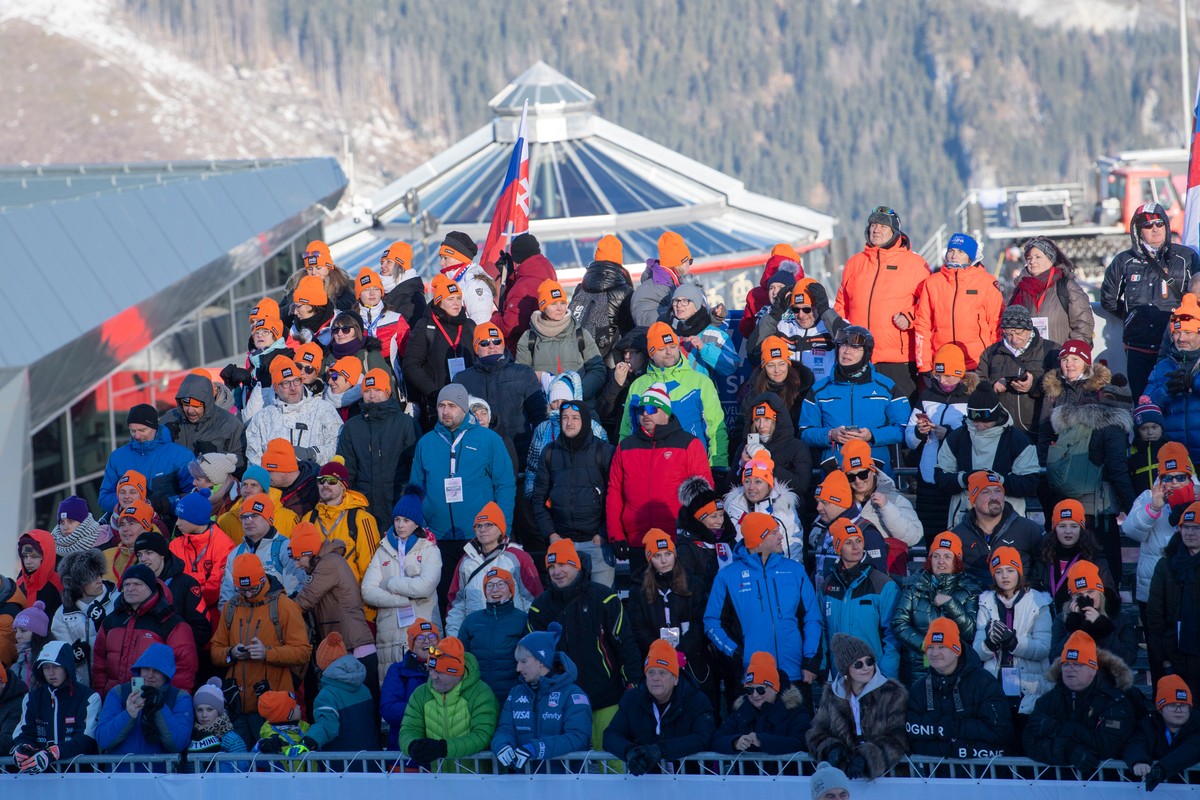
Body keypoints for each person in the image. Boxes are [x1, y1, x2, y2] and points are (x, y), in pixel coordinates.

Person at [527, 539, 642, 750]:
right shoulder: (539, 608)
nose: (557, 571)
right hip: (562, 699)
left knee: (611, 762)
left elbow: (625, 643)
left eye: (563, 564)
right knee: (568, 768)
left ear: (576, 565)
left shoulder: (603, 598)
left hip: (605, 695)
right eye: (551, 567)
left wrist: (632, 681)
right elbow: (536, 658)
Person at [408, 383, 516, 605]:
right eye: (441, 406)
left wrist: (502, 527)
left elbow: (504, 484)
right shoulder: (426, 443)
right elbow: (416, 487)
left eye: (452, 406)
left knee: (482, 599)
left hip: (479, 535)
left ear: (464, 409)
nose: (446, 411)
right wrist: (421, 527)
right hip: (438, 537)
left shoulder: (488, 439)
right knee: (445, 601)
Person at [1039, 339, 1137, 571]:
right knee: (1104, 560)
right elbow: (1116, 469)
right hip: (1099, 507)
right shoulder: (1111, 428)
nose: (1069, 364)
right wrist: (1133, 507)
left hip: (1068, 497)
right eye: (1065, 359)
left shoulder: (1075, 419)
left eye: (1075, 359)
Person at [607, 383, 713, 575]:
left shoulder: (689, 444)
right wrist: (616, 534)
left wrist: (698, 533)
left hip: (676, 540)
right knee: (643, 598)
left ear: (665, 412)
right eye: (641, 410)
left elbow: (703, 495)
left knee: (680, 596)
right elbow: (614, 492)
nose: (645, 414)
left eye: (651, 409)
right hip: (638, 539)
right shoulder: (625, 447)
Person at [705, 512, 821, 685]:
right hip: (752, 677)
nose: (781, 536)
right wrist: (736, 652)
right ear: (758, 539)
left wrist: (810, 659)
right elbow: (712, 622)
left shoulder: (795, 571)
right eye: (774, 533)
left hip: (795, 674)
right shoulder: (728, 576)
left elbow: (812, 618)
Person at [1101, 201, 1200, 397]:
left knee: (1179, 401)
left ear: (1166, 225)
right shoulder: (1123, 261)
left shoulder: (1186, 257)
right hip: (1139, 347)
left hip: (1179, 345)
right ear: (1137, 230)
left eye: (1159, 224)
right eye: (1147, 226)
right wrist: (1134, 317)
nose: (1155, 230)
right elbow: (1108, 299)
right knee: (1144, 402)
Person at [210, 555, 312, 742]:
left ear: (263, 579)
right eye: (242, 589)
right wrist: (231, 653)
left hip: (274, 710)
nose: (247, 594)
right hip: (237, 706)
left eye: (252, 589)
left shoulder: (284, 606)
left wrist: (267, 653)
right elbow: (215, 650)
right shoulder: (230, 607)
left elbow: (303, 652)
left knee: (272, 768)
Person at [834, 205, 931, 399]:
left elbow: (930, 304)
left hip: (897, 359)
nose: (876, 230)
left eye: (883, 226)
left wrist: (909, 316)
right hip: (857, 355)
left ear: (895, 231)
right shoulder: (855, 263)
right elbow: (841, 304)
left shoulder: (915, 264)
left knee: (900, 417)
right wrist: (840, 336)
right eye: (873, 225)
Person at [360, 487, 442, 683]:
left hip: (424, 632)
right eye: (397, 519)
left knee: (428, 692)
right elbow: (368, 591)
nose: (400, 525)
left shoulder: (430, 550)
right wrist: (404, 598)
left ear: (416, 523)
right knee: (392, 694)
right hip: (389, 637)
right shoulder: (383, 550)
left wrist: (390, 583)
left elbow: (425, 587)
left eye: (406, 520)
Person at [798, 325, 910, 470]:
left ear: (866, 353)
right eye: (843, 345)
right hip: (835, 470)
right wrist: (831, 434)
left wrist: (872, 435)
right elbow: (805, 432)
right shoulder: (820, 390)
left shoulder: (886, 387)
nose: (847, 351)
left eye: (855, 348)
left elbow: (905, 428)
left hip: (875, 470)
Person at [531, 398, 616, 588]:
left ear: (585, 421)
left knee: (601, 604)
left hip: (596, 544)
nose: (569, 423)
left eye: (575, 418)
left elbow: (616, 496)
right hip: (561, 542)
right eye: (565, 418)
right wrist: (551, 534)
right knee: (566, 606)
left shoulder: (603, 451)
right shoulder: (550, 452)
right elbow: (538, 498)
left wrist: (603, 532)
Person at [1022, 630, 1137, 770]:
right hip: (1055, 785)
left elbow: (1108, 745)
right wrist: (1068, 751)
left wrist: (1059, 729)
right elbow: (1030, 742)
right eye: (1065, 664)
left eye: (1077, 664)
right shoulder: (1047, 701)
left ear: (1093, 669)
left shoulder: (1115, 701)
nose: (1070, 669)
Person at [620, 322, 728, 467]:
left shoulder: (700, 382)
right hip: (650, 468)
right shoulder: (638, 386)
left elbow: (716, 429)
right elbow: (627, 431)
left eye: (672, 347)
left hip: (692, 467)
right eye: (662, 349)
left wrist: (718, 465)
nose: (669, 352)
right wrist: (623, 465)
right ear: (651, 354)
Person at [603, 638, 717, 775]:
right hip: (646, 783)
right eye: (651, 672)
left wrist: (662, 750)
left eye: (662, 673)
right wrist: (629, 751)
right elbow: (611, 735)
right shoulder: (631, 699)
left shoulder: (696, 700)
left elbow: (704, 737)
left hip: (690, 782)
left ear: (675, 679)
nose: (655, 678)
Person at [933, 383, 1041, 526]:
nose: (979, 425)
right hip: (964, 518)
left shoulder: (1018, 440)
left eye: (985, 420)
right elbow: (941, 478)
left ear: (996, 415)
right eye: (975, 420)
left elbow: (1030, 482)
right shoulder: (957, 438)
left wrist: (999, 481)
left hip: (1007, 521)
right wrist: (966, 478)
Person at [288, 525, 378, 695]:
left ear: (309, 552)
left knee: (360, 706)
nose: (297, 565)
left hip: (353, 646)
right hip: (352, 643)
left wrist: (276, 610)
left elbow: (305, 600)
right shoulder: (329, 562)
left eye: (298, 559)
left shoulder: (328, 564)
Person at [905, 618, 1013, 758]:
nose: (934, 653)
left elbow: (1000, 731)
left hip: (980, 777)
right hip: (934, 777)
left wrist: (954, 733)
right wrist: (947, 747)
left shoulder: (984, 682)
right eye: (930, 647)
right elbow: (911, 734)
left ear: (956, 650)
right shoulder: (919, 688)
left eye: (942, 647)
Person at [491, 622, 592, 771]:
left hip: (563, 785)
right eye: (518, 662)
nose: (518, 668)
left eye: (523, 661)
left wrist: (537, 748)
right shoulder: (516, 692)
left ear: (540, 661)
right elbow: (505, 730)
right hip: (524, 783)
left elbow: (578, 736)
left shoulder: (572, 693)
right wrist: (502, 745)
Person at [806, 633, 909, 779]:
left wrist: (868, 757)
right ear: (845, 669)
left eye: (870, 661)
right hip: (844, 777)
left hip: (886, 777)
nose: (866, 668)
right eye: (858, 664)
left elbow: (898, 738)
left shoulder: (892, 693)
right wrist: (831, 748)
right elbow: (817, 733)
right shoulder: (832, 694)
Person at [627, 534, 713, 706]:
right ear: (650, 560)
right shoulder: (639, 590)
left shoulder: (693, 583)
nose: (664, 560)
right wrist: (660, 654)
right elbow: (638, 627)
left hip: (690, 657)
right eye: (657, 556)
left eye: (668, 554)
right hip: (655, 660)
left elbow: (700, 622)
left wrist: (682, 651)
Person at [973, 546, 1054, 719]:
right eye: (999, 571)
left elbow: (1043, 648)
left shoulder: (1038, 602)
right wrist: (989, 644)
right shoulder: (986, 603)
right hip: (995, 680)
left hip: (1029, 682)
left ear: (1019, 572)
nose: (1005, 576)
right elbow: (977, 652)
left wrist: (1013, 642)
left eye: (1010, 570)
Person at [92, 564, 198, 694]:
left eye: (137, 584)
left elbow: (183, 671)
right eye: (126, 584)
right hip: (115, 703)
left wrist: (171, 703)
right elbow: (99, 666)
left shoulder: (171, 623)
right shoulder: (111, 621)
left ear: (151, 588)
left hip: (156, 705)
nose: (130, 588)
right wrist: (102, 696)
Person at [892, 532, 980, 685]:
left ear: (957, 561)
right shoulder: (914, 586)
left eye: (947, 556)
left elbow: (969, 631)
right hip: (919, 666)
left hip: (956, 667)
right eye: (936, 556)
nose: (941, 562)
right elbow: (899, 623)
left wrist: (951, 604)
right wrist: (928, 645)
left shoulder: (970, 587)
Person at [398, 637, 499, 770]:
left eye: (438, 671)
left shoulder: (481, 693)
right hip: (436, 780)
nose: (432, 676)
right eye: (430, 670)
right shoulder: (420, 694)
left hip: (477, 781)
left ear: (456, 672)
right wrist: (412, 746)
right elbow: (408, 730)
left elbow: (482, 736)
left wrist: (443, 748)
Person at [443, 503, 542, 638]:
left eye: (489, 524)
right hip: (475, 637)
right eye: (479, 525)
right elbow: (456, 605)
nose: (483, 529)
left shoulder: (518, 557)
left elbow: (533, 600)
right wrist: (454, 641)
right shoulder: (465, 561)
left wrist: (528, 639)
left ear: (500, 529)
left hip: (512, 636)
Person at [458, 322, 547, 472]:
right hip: (478, 459)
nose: (492, 346)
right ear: (476, 347)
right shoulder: (462, 379)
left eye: (497, 341)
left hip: (520, 457)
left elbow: (540, 418)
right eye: (485, 343)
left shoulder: (524, 373)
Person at [818, 521, 900, 679]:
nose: (856, 547)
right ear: (838, 548)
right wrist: (822, 667)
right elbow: (821, 628)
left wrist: (887, 675)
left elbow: (893, 634)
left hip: (874, 675)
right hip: (840, 676)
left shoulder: (883, 584)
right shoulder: (827, 585)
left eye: (859, 541)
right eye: (848, 542)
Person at [913, 232, 1004, 375]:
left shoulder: (987, 283)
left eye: (960, 252)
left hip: (977, 362)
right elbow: (923, 325)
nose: (954, 255)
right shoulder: (932, 283)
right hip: (942, 361)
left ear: (971, 256)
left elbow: (996, 325)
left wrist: (994, 361)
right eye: (951, 250)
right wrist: (924, 366)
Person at [905, 344, 972, 533]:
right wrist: (920, 431)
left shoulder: (971, 399)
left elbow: (977, 439)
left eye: (949, 375)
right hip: (928, 479)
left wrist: (949, 435)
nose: (943, 381)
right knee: (930, 536)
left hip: (956, 481)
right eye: (939, 375)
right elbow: (909, 439)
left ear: (960, 374)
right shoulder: (926, 396)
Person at [401, 275, 478, 430]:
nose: (456, 303)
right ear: (439, 302)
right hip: (439, 405)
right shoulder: (425, 327)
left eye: (458, 298)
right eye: (450, 299)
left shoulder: (469, 326)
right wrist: (435, 392)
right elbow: (410, 365)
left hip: (469, 401)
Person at [10, 641, 99, 772]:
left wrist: (53, 753)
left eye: (56, 666)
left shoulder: (89, 697)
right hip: (42, 776)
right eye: (46, 667)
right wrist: (23, 748)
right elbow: (24, 731)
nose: (51, 673)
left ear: (67, 666)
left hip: (80, 775)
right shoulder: (32, 698)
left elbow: (85, 739)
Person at [95, 643, 193, 759]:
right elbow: (103, 740)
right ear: (139, 669)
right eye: (146, 668)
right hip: (121, 774)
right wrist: (128, 715)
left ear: (166, 674)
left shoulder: (180, 698)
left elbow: (178, 744)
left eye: (157, 670)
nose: (150, 675)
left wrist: (160, 707)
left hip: (161, 775)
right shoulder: (119, 693)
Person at [98, 404, 195, 518]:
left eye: (142, 430)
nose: (137, 436)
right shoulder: (117, 457)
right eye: (132, 431)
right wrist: (128, 502)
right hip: (129, 525)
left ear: (155, 427)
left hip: (170, 523)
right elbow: (104, 497)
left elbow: (193, 494)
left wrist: (164, 504)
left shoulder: (180, 455)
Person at [976, 303, 1059, 437]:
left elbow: (1061, 385)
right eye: (1008, 334)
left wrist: (1034, 385)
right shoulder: (990, 353)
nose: (1014, 339)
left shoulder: (1051, 350)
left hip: (1038, 430)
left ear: (1029, 329)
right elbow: (978, 385)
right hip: (1001, 430)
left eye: (1018, 333)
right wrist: (993, 386)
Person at [244, 357, 344, 467]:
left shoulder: (323, 409)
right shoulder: (263, 418)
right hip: (275, 482)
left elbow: (338, 445)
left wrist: (312, 453)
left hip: (314, 480)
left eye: (297, 381)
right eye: (286, 383)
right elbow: (254, 459)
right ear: (275, 388)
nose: (293, 388)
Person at [950, 471, 1045, 585]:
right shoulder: (958, 535)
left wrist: (1029, 588)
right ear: (973, 501)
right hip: (974, 600)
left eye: (998, 491)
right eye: (986, 492)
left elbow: (1044, 565)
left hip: (1018, 599)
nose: (994, 497)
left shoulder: (1028, 529)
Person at [299, 458, 381, 586]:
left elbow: (370, 569)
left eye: (332, 481)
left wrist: (366, 605)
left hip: (349, 600)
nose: (325, 485)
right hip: (317, 599)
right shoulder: (308, 519)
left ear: (343, 486)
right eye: (321, 480)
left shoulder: (361, 519)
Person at [1146, 502, 1200, 696]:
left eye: (1196, 527)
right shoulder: (1165, 566)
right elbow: (1154, 615)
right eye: (1186, 527)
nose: (1190, 532)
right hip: (1174, 653)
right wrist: (1162, 657)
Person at [750, 277, 845, 385]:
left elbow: (853, 345)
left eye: (807, 309)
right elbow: (754, 352)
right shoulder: (783, 328)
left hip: (822, 397)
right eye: (795, 309)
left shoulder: (832, 327)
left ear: (817, 307)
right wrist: (775, 313)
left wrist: (825, 310)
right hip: (790, 397)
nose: (801, 315)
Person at [712, 651, 811, 755]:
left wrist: (762, 741)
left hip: (786, 771)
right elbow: (717, 739)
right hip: (748, 771)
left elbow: (802, 743)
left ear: (775, 688)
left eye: (760, 689)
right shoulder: (741, 710)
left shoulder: (795, 710)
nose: (754, 695)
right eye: (749, 689)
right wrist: (735, 742)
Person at [133, 531, 213, 657]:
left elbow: (201, 627)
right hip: (141, 660)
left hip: (178, 660)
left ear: (162, 555)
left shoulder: (186, 583)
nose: (143, 559)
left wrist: (183, 655)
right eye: (139, 554)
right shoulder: (133, 584)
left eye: (149, 553)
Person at [218, 493, 306, 606]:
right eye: (244, 517)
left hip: (275, 618)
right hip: (243, 620)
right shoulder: (236, 553)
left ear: (268, 519)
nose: (248, 521)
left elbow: (293, 592)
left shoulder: (285, 548)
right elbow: (226, 598)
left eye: (254, 516)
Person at [840, 439, 923, 557]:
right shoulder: (839, 501)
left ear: (873, 471)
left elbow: (913, 537)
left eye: (862, 474)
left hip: (884, 569)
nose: (858, 481)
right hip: (847, 569)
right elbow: (815, 536)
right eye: (851, 477)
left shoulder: (893, 498)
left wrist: (887, 508)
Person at [1050, 560, 1138, 670]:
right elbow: (1054, 660)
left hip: (1110, 682)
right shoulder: (1061, 619)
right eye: (1079, 594)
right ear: (1072, 597)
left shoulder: (1121, 618)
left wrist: (1102, 627)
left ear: (1100, 592)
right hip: (1074, 681)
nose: (1087, 598)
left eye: (1091, 592)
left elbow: (1128, 659)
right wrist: (1073, 628)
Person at [1008, 236, 1095, 346]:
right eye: (1029, 258)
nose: (1032, 261)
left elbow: (1083, 324)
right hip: (1028, 360)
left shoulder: (1066, 286)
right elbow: (1009, 326)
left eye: (1038, 257)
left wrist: (1070, 353)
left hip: (1059, 358)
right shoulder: (1020, 289)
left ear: (1051, 259)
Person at [458, 566, 527, 706]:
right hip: (478, 697)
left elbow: (530, 660)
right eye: (490, 585)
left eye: (501, 584)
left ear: (510, 590)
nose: (495, 589)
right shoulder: (471, 621)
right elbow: (461, 658)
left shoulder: (523, 620)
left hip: (513, 696)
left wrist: (520, 688)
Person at [1028, 499, 1116, 608]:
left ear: (1081, 529)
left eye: (1074, 526)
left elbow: (1110, 598)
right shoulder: (1044, 556)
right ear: (1054, 529)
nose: (1068, 531)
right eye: (1062, 526)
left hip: (1082, 619)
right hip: (1047, 619)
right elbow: (1032, 592)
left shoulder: (1096, 559)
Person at [51, 549, 119, 687]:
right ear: (76, 583)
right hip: (81, 690)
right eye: (92, 578)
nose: (99, 580)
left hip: (114, 686)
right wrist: (72, 657)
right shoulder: (62, 614)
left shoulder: (118, 602)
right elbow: (61, 657)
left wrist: (105, 626)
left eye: (99, 574)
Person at [303, 633, 377, 757]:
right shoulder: (363, 687)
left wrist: (309, 741)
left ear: (321, 661)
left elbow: (327, 726)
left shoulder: (326, 695)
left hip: (342, 763)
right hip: (371, 757)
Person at [168, 494, 235, 628]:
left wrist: (188, 598)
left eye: (181, 518)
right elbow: (171, 583)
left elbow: (216, 588)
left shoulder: (223, 544)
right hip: (180, 619)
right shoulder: (175, 545)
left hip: (212, 621)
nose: (177, 523)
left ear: (196, 519)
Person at [732, 392, 812, 502]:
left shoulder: (797, 447)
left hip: (785, 511)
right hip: (749, 509)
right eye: (757, 420)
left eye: (767, 419)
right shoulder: (745, 447)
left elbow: (802, 485)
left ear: (777, 420)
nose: (761, 425)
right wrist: (741, 464)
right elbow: (729, 487)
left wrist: (768, 465)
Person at [1124, 676, 1200, 791]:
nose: (1178, 710)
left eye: (1184, 705)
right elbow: (1136, 743)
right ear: (1160, 708)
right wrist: (1139, 760)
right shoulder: (1148, 724)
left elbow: (1191, 748)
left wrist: (1162, 769)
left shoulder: (1197, 725)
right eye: (1172, 705)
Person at [161, 370, 247, 471]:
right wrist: (161, 438)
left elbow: (242, 463)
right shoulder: (170, 418)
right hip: (175, 483)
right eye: (186, 405)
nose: (190, 410)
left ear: (207, 403)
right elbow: (147, 451)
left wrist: (218, 455)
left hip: (214, 485)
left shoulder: (230, 423)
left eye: (196, 406)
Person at [567, 234, 634, 363]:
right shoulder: (624, 291)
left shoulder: (581, 288)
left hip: (578, 352)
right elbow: (628, 329)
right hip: (610, 356)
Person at [1147, 292, 1200, 454]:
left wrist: (1194, 384)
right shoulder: (1163, 367)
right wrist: (1166, 391)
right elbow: (1146, 409)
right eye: (1176, 333)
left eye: (1188, 333)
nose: (1181, 338)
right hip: (1174, 458)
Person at [723, 455, 804, 560]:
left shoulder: (783, 508)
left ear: (769, 485)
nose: (751, 487)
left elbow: (793, 553)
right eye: (747, 481)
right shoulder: (732, 506)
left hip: (773, 573)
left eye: (758, 482)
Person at [380, 619, 438, 750]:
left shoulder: (447, 669)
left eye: (432, 636)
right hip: (407, 752)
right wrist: (428, 711)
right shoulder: (398, 671)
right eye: (420, 637)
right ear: (412, 644)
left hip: (439, 753)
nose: (427, 641)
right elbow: (388, 709)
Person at [493, 232, 558, 345]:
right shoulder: (544, 272)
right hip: (542, 343)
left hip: (522, 349)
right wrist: (511, 275)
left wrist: (494, 317)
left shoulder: (523, 286)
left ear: (516, 257)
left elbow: (509, 328)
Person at [664, 283, 739, 380]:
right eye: (676, 301)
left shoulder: (713, 334)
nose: (678, 305)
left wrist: (703, 348)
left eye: (685, 301)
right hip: (670, 392)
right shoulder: (665, 332)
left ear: (696, 306)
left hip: (700, 393)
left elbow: (732, 364)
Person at [631, 230, 696, 327]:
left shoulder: (673, 282)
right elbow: (641, 319)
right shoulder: (654, 286)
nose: (690, 265)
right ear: (680, 263)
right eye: (689, 261)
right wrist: (676, 310)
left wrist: (714, 316)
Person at [739, 243, 804, 339]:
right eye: (772, 288)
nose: (775, 292)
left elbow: (746, 329)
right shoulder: (802, 291)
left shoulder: (754, 295)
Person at [597, 327, 648, 441]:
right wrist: (616, 384)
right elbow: (603, 412)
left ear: (644, 354)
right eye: (625, 352)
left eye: (632, 353)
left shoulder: (651, 379)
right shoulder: (617, 374)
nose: (626, 357)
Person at [435, 230, 496, 326]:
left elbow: (481, 325)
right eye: (441, 258)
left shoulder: (475, 284)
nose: (441, 263)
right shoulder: (457, 282)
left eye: (445, 258)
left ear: (460, 259)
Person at [187, 678, 248, 771]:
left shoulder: (232, 740)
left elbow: (242, 767)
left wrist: (213, 765)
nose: (204, 715)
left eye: (210, 709)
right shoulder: (189, 737)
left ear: (219, 711)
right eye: (199, 710)